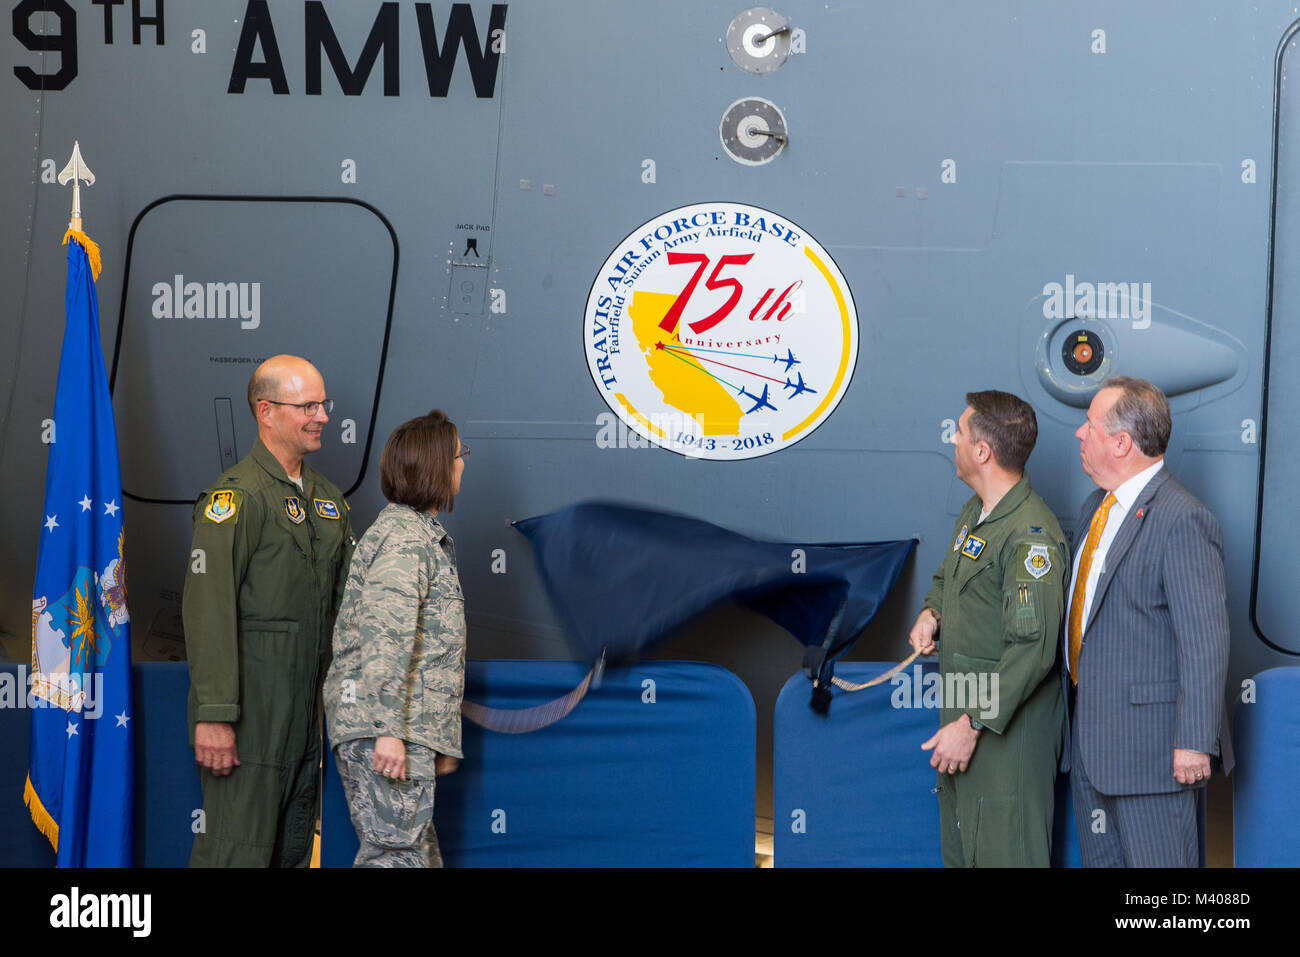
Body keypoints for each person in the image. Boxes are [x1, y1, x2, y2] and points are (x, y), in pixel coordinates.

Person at [183, 354, 355, 867]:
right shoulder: (235, 498)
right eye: (308, 405)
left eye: (323, 404)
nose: (323, 415)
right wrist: (216, 715)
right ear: (267, 411)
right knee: (236, 852)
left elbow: (349, 608)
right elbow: (206, 608)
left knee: (293, 851)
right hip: (249, 719)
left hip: (305, 717)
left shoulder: (328, 501)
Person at [1066, 376, 1231, 867]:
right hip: (1091, 749)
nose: (1078, 434)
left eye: (1089, 425)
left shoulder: (1182, 519)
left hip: (1156, 756)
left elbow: (1205, 639)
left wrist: (1194, 744)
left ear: (1121, 442)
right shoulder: (1095, 507)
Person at [908, 390, 1068, 867]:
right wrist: (931, 613)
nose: (952, 439)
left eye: (959, 432)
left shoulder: (1029, 536)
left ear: (983, 452)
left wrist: (973, 723)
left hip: (1003, 737)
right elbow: (948, 577)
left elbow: (1033, 649)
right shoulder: (975, 512)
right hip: (962, 725)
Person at [323, 409, 468, 867]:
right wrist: (390, 733)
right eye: (459, 454)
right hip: (385, 728)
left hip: (403, 728)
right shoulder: (406, 540)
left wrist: (437, 741)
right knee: (394, 855)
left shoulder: (417, 535)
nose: (463, 463)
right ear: (437, 466)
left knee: (414, 854)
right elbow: (386, 638)